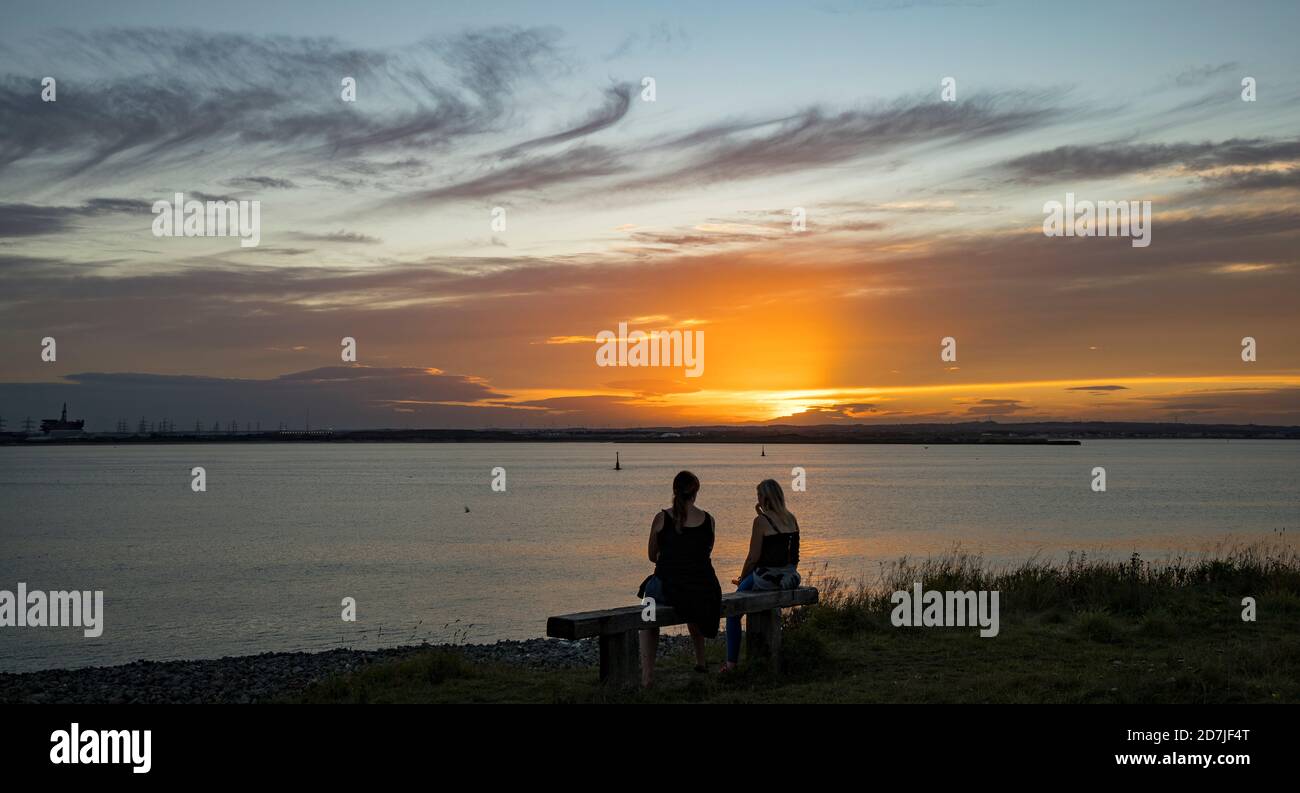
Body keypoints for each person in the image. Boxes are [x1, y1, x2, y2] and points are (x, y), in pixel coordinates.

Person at [637, 470, 722, 688]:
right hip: (704, 588)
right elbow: (705, 553)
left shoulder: (662, 518)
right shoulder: (708, 520)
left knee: (647, 607)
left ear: (674, 491)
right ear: (696, 492)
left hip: (671, 587)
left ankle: (647, 676)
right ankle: (700, 661)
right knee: (692, 595)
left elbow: (651, 556)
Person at [721, 478, 801, 672]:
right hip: (791, 577)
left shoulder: (760, 522)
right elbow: (793, 555)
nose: (756, 498)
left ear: (764, 498)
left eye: (758, 495)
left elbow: (752, 559)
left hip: (767, 579)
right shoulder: (791, 518)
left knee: (733, 610)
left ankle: (731, 664)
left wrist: (741, 578)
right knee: (748, 591)